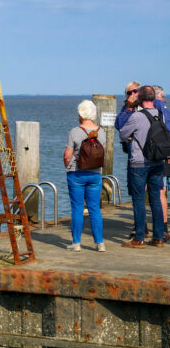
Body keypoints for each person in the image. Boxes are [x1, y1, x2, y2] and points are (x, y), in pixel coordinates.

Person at [119, 86, 166, 247]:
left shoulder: (137, 116)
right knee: (155, 199)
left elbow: (123, 134)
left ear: (140, 99)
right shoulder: (160, 115)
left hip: (139, 163)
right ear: (153, 98)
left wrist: (132, 136)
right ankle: (158, 237)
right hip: (157, 161)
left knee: (139, 200)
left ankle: (139, 237)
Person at [63, 100, 106, 252]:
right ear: (93, 114)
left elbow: (67, 155)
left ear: (80, 114)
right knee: (94, 208)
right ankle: (100, 243)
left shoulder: (75, 131)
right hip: (95, 174)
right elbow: (102, 152)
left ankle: (76, 243)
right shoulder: (101, 131)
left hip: (76, 174)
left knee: (77, 207)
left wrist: (67, 166)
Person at [115, 81, 141, 238]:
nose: (132, 95)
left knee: (154, 194)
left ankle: (159, 230)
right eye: (128, 93)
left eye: (134, 91)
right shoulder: (127, 110)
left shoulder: (147, 107)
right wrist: (128, 108)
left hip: (147, 157)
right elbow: (119, 125)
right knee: (136, 193)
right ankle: (140, 226)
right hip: (133, 157)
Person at [152, 85, 170, 240]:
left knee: (160, 191)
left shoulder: (158, 106)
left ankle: (162, 228)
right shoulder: (166, 109)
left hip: (162, 156)